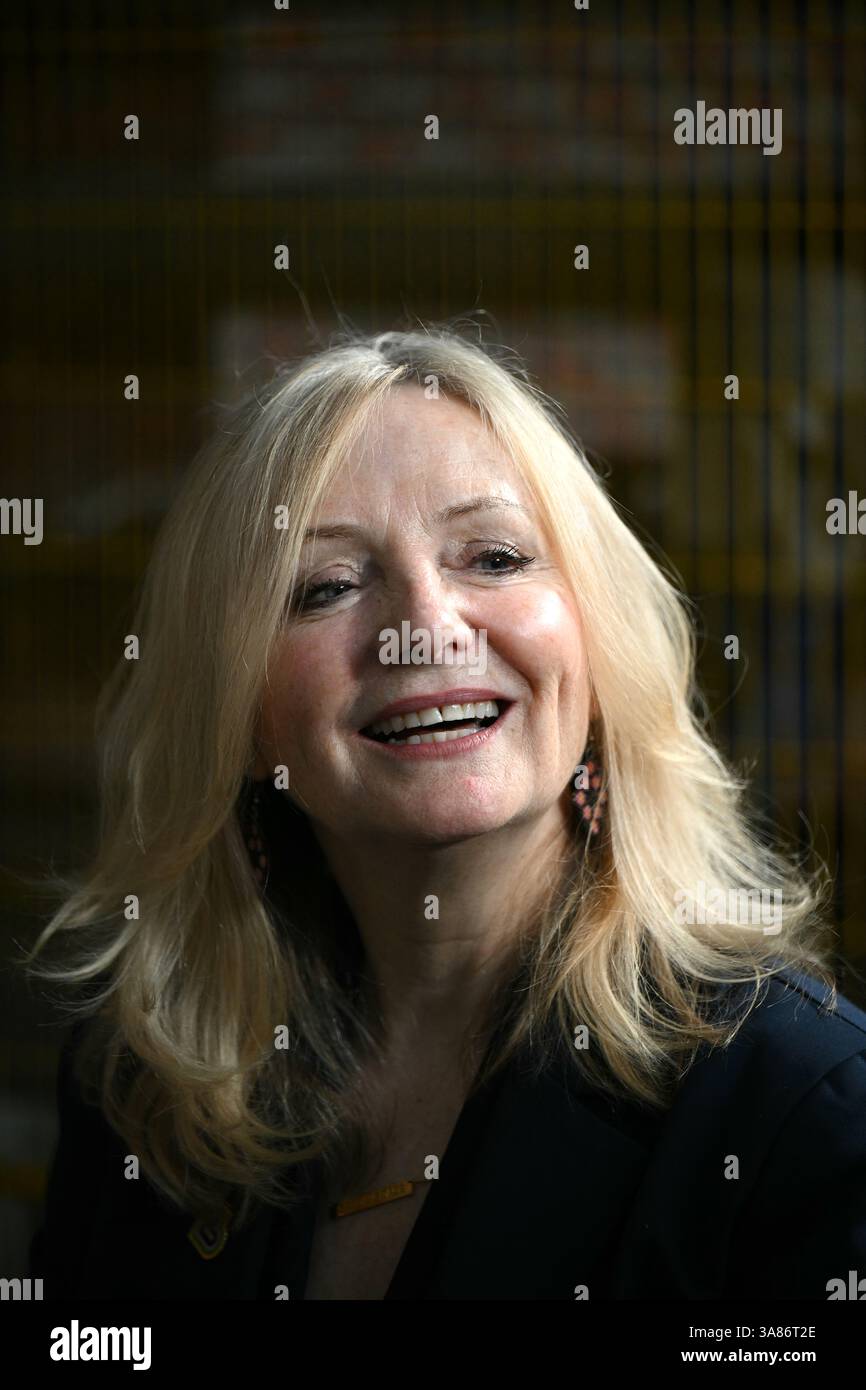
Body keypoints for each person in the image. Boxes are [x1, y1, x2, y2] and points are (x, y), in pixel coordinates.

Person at [26, 324, 866, 1300]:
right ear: (243, 718)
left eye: (496, 557)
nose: (424, 627)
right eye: (328, 585)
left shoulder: (805, 1107)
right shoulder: (140, 1091)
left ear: (593, 650)